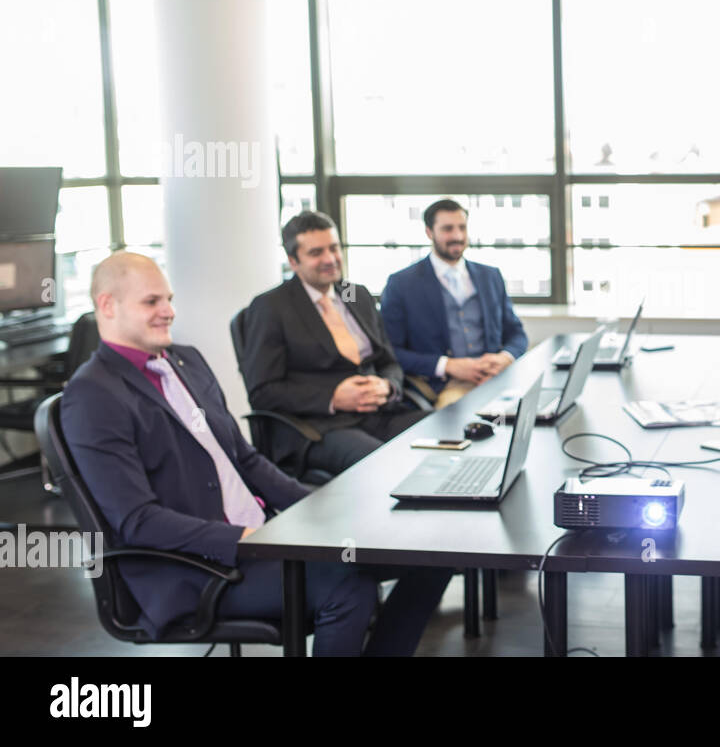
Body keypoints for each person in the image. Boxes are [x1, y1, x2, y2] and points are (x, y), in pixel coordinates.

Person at [60, 252, 449, 656]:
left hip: (262, 537)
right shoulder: (93, 396)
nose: (169, 311)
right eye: (152, 302)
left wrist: (318, 509)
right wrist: (243, 538)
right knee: (347, 587)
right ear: (107, 305)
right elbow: (136, 520)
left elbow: (244, 459)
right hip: (197, 568)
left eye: (169, 299)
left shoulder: (185, 361)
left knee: (427, 557)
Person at [240, 212, 427, 474]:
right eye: (316, 252)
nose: (330, 259)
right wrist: (333, 398)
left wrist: (387, 386)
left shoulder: (355, 293)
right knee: (382, 465)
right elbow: (262, 391)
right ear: (294, 261)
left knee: (441, 434)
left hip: (379, 414)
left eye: (334, 248)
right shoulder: (271, 306)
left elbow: (389, 362)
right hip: (319, 426)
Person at [380, 199, 528, 409]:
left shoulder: (491, 276)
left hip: (497, 380)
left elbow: (517, 334)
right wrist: (447, 365)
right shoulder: (401, 284)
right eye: (448, 229)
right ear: (429, 232)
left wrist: (505, 358)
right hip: (446, 387)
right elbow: (391, 352)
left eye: (462, 228)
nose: (457, 236)